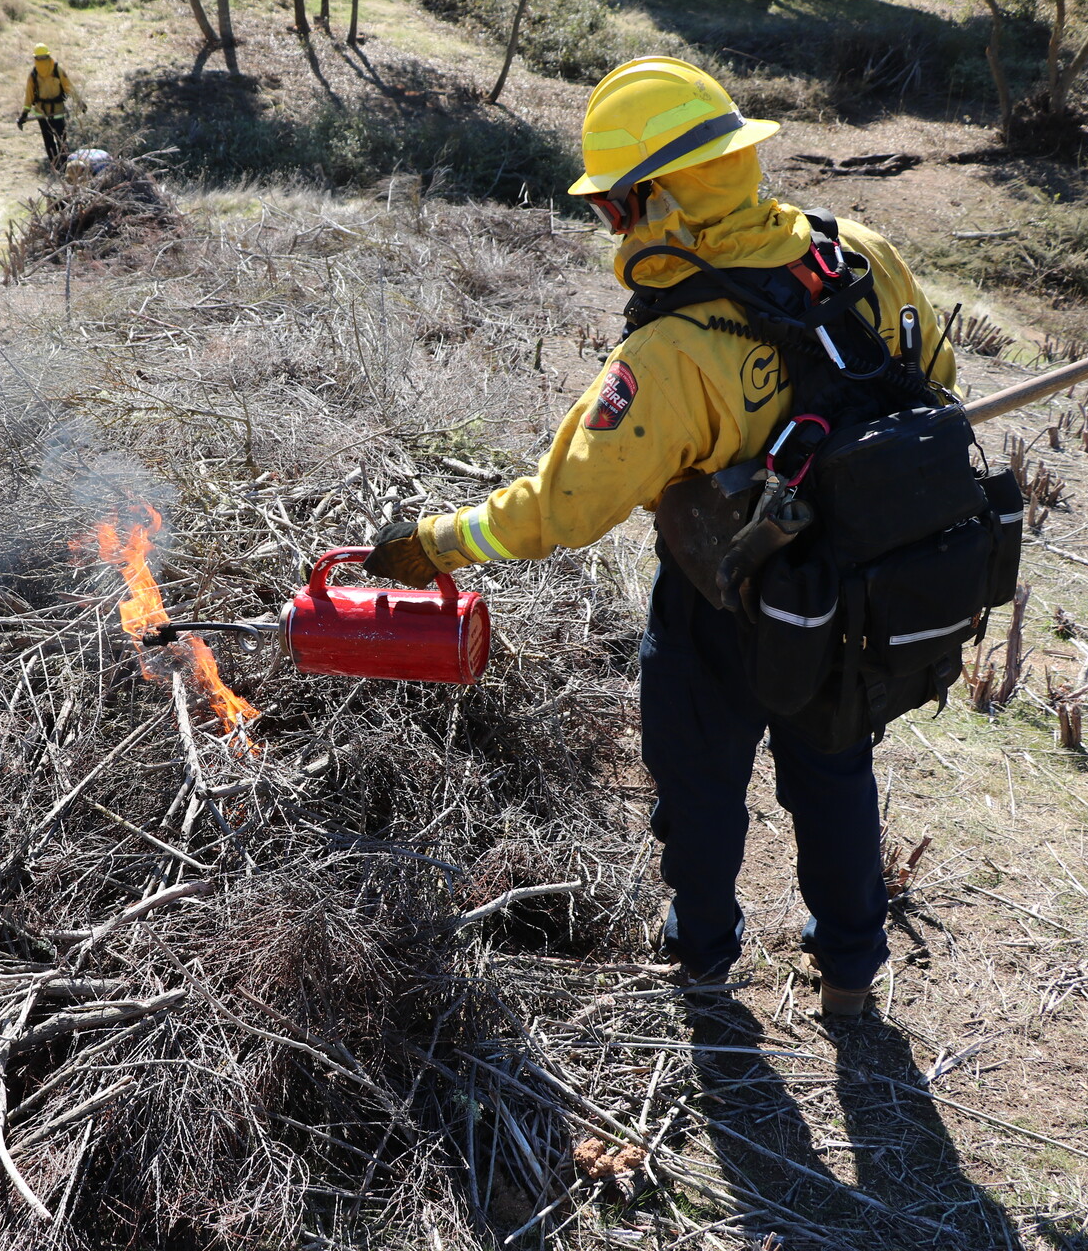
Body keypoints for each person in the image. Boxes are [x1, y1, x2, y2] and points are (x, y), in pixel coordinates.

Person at [360, 56, 962, 1019]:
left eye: (614, 206)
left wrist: (435, 543)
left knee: (703, 781)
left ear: (658, 199)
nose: (615, 227)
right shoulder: (862, 253)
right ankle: (850, 978)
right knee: (838, 773)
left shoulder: (671, 353)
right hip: (861, 595)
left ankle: (703, 959)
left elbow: (565, 509)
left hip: (722, 601)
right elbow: (938, 378)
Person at [18, 44, 83, 170]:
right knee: (60, 141)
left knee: (51, 141)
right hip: (50, 112)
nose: (42, 61)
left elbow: (29, 97)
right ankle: (63, 168)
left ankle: (60, 168)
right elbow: (69, 87)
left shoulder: (48, 72)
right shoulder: (40, 73)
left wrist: (24, 115)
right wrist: (79, 102)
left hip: (45, 112)